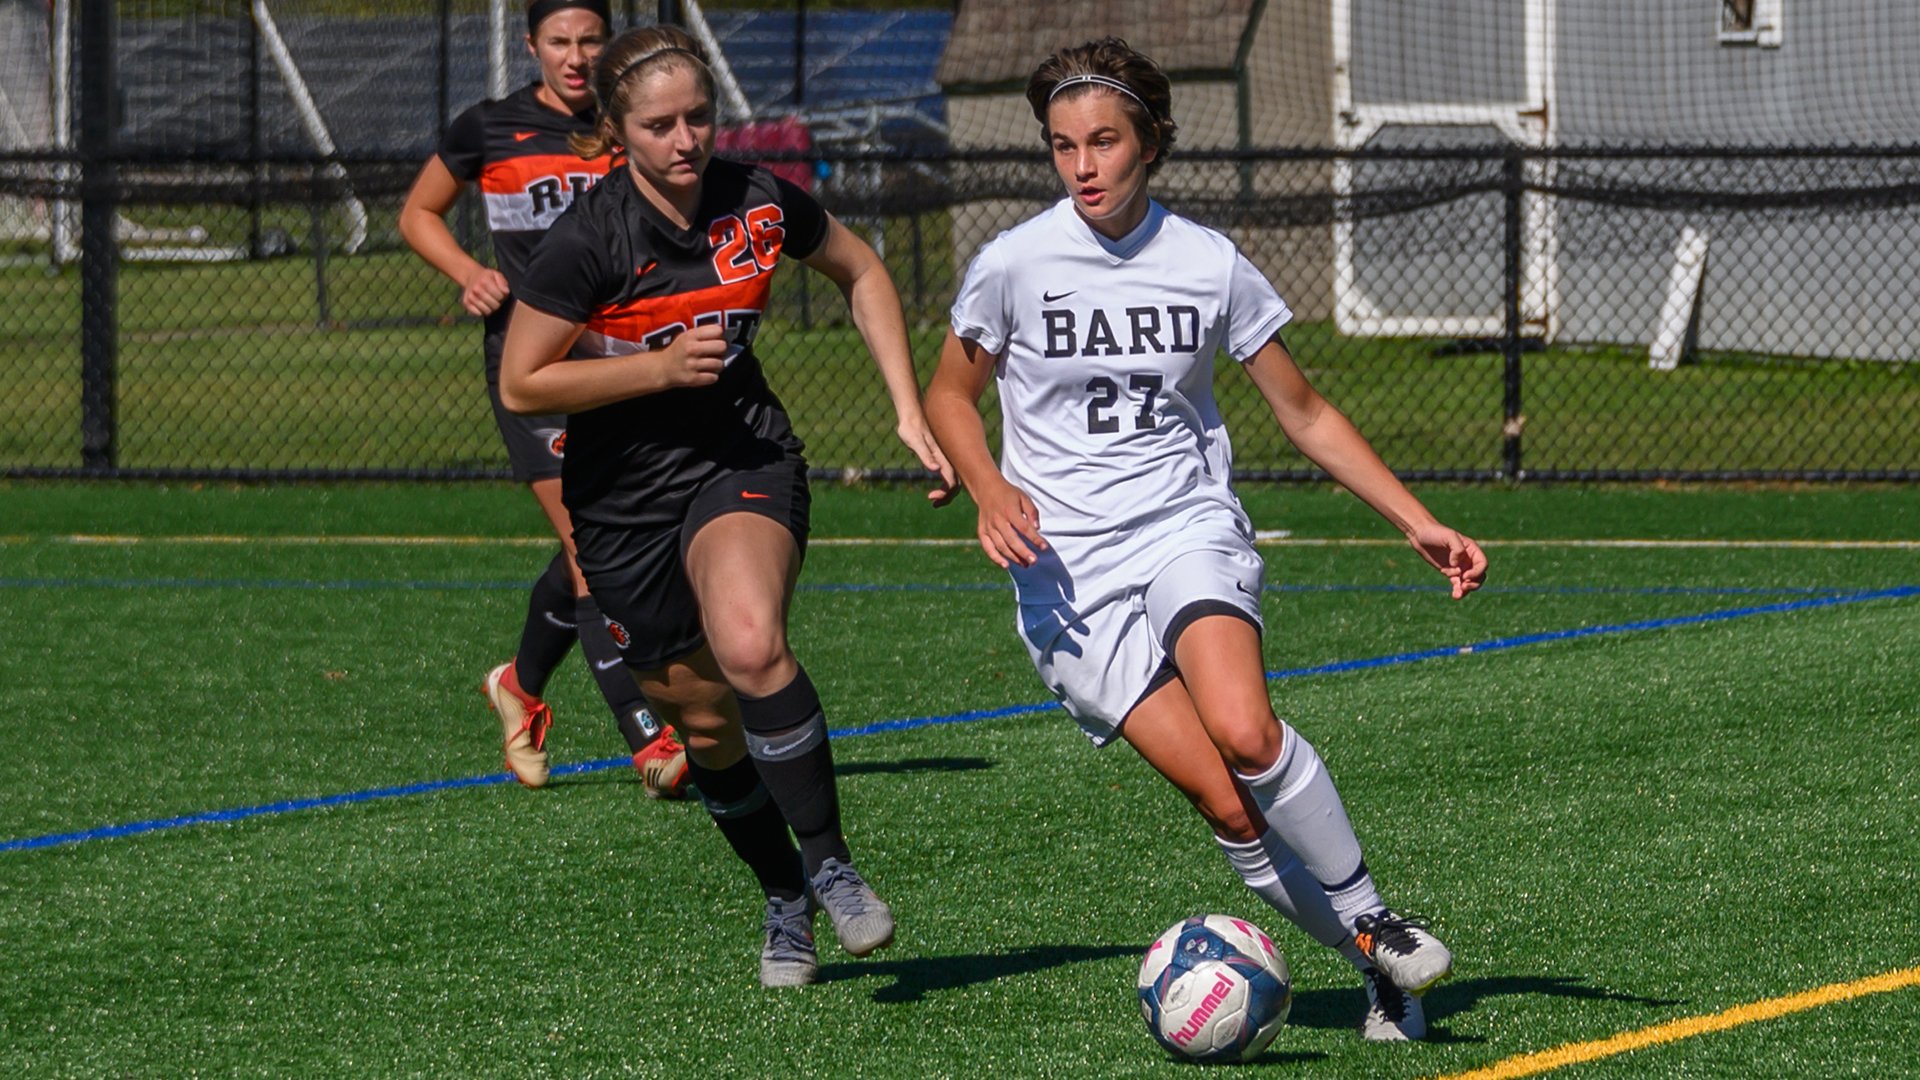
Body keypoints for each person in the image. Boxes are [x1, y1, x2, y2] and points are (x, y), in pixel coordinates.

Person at [922, 39, 1489, 1042]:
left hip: (1184, 526)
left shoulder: (1207, 262)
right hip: (1065, 576)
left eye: (1104, 141)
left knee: (1246, 728)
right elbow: (949, 395)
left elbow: (1305, 412)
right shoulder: (1012, 264)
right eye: (1063, 146)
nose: (1084, 165)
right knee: (1230, 811)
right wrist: (986, 483)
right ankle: (1379, 973)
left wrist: (1417, 521)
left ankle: (1372, 922)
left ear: (1153, 141)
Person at [497, 25, 954, 986]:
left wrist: (909, 411)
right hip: (622, 507)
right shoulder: (588, 238)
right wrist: (656, 369)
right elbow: (523, 384)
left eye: (698, 116)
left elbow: (863, 270)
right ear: (618, 136)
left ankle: (832, 865)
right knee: (705, 731)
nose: (686, 139)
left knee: (749, 643)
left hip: (741, 462)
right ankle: (784, 896)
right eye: (660, 124)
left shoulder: (756, 199)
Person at [399, 0, 690, 797]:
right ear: (531, 46)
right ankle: (649, 738)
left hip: (625, 364)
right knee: (590, 553)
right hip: (535, 370)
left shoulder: (634, 123)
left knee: (614, 537)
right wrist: (469, 273)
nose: (575, 55)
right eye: (559, 41)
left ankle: (520, 687)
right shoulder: (488, 128)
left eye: (590, 40)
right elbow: (417, 212)